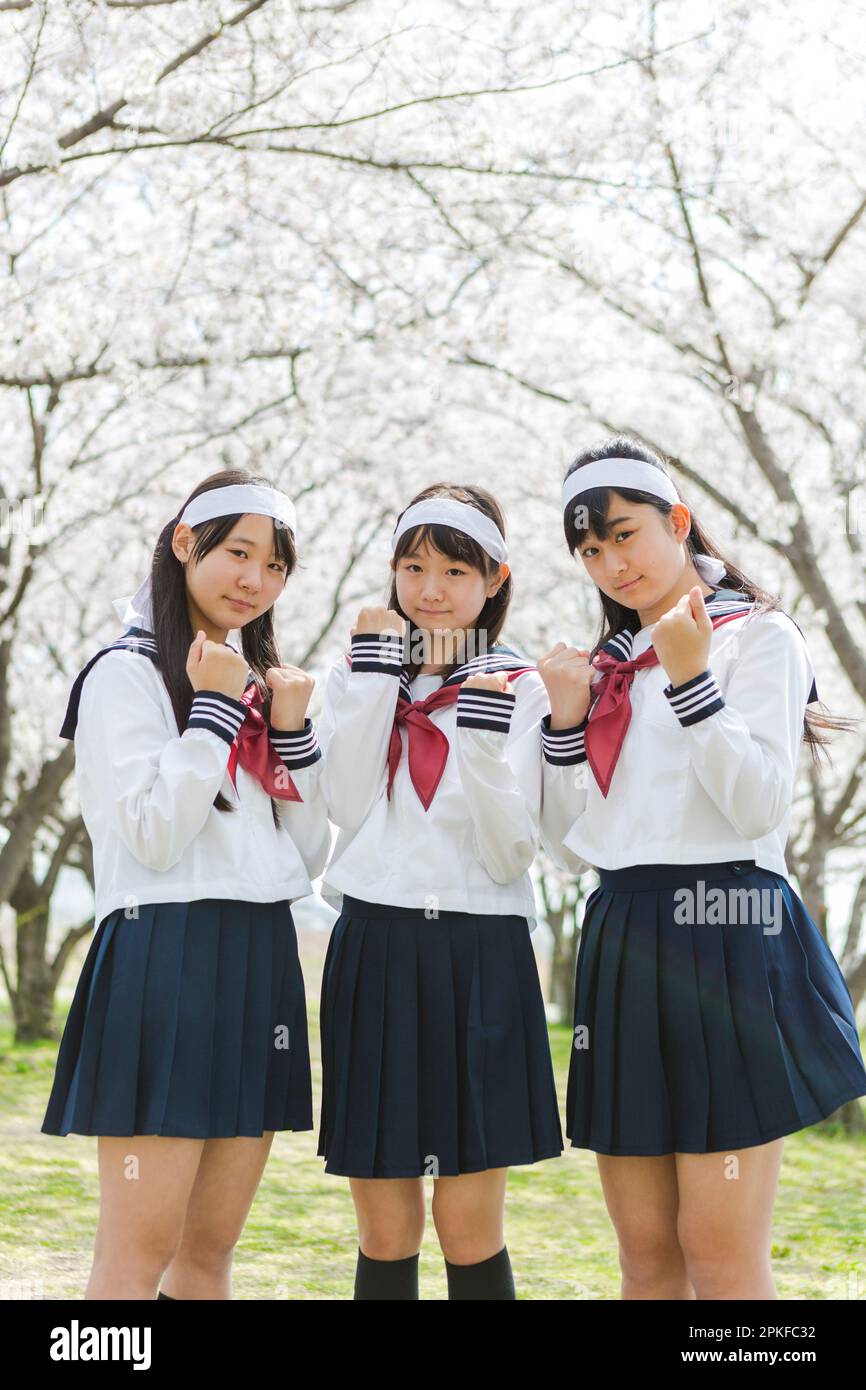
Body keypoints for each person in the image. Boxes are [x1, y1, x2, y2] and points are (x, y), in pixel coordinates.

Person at [537, 437, 866, 1301]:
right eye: (590, 550)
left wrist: (692, 684)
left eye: (625, 535)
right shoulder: (607, 669)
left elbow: (757, 805)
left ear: (678, 521)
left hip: (728, 932)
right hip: (622, 936)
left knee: (717, 1251)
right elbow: (572, 843)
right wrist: (564, 729)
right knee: (645, 1255)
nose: (611, 563)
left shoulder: (758, 637)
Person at [41, 472, 330, 1301]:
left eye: (274, 566)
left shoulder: (262, 687)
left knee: (208, 1255)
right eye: (238, 553)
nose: (254, 580)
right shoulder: (123, 676)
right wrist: (211, 713)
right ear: (183, 543)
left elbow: (306, 856)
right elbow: (152, 835)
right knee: (138, 1251)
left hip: (260, 954)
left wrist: (290, 734)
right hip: (162, 951)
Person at [315, 484, 563, 1300]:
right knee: (385, 1227)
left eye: (455, 570)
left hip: (481, 951)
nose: (428, 589)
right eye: (412, 566)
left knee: (469, 1224)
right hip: (375, 945)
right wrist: (378, 681)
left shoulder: (523, 687)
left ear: (494, 579)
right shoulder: (355, 670)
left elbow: (511, 853)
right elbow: (343, 804)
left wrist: (486, 747)